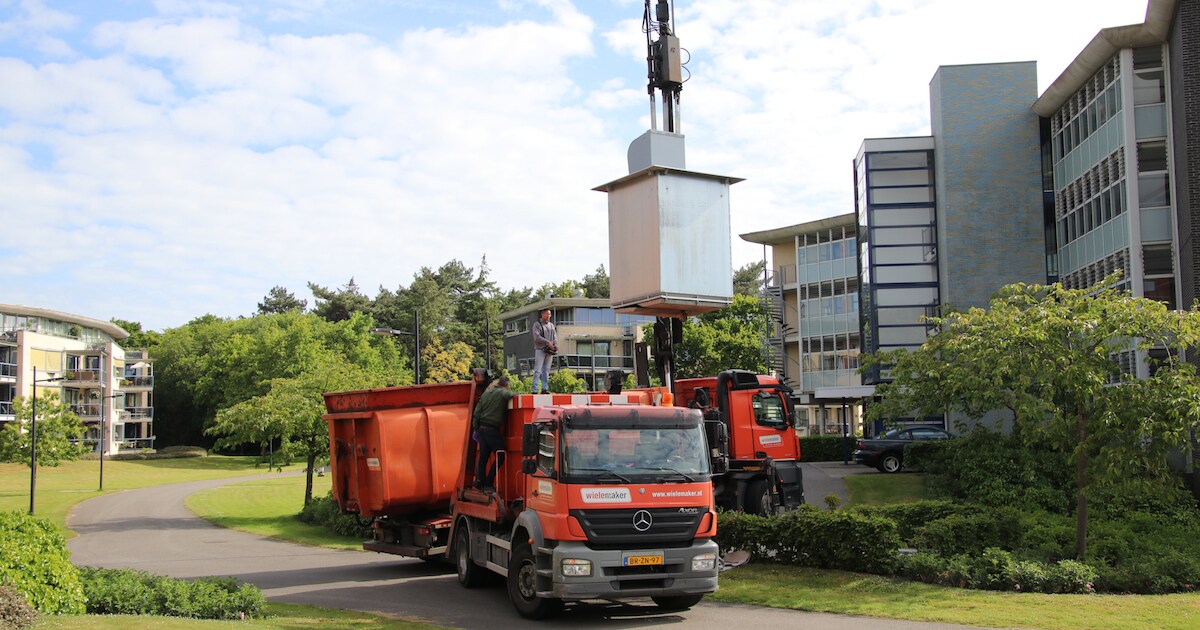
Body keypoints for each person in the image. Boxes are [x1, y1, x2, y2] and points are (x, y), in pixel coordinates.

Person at [471, 375, 515, 493]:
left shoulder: (485, 394)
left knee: (484, 456)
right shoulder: (503, 393)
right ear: (506, 385)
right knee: (500, 454)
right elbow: (513, 395)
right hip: (492, 429)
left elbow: (476, 413)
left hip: (482, 428)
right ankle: (489, 484)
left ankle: (480, 482)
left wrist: (477, 428)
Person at [531, 308, 558, 394]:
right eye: (547, 314)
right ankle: (535, 389)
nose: (548, 316)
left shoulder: (552, 325)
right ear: (542, 314)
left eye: (549, 314)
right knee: (537, 370)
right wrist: (547, 342)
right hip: (540, 349)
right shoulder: (537, 324)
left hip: (549, 351)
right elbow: (536, 337)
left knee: (546, 370)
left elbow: (555, 336)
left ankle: (544, 388)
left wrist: (555, 345)